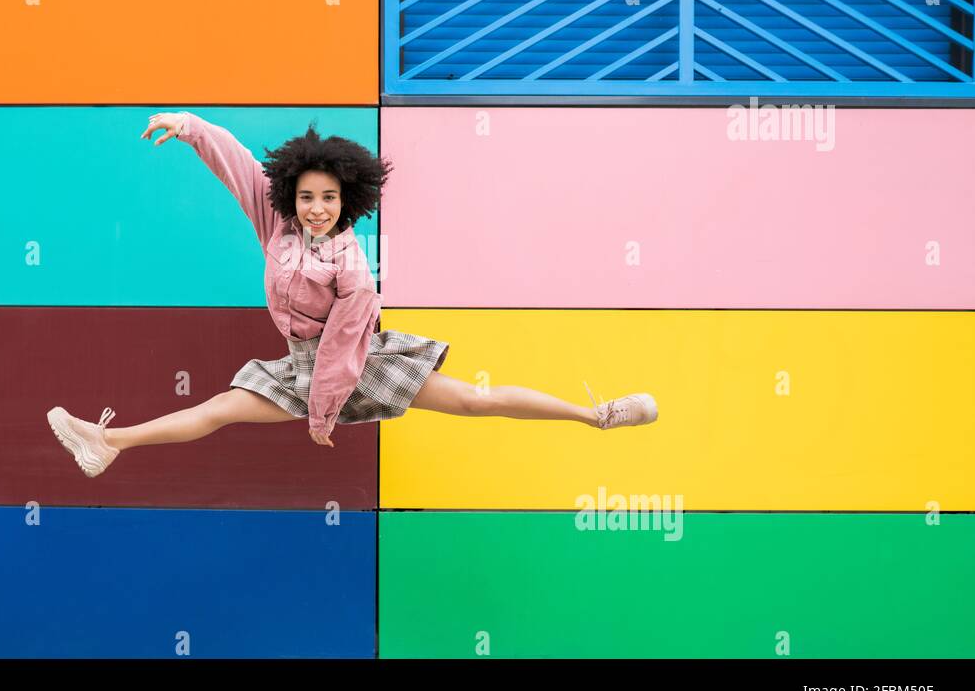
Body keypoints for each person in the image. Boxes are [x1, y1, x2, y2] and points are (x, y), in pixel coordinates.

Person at [47, 111, 657, 477]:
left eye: (329, 199)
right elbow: (237, 163)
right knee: (217, 410)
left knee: (475, 399)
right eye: (308, 197)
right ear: (293, 197)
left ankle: (594, 416)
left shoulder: (352, 268)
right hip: (301, 368)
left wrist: (322, 415)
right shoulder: (278, 225)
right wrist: (190, 128)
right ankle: (107, 445)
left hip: (358, 366)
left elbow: (342, 349)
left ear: (349, 203)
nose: (316, 209)